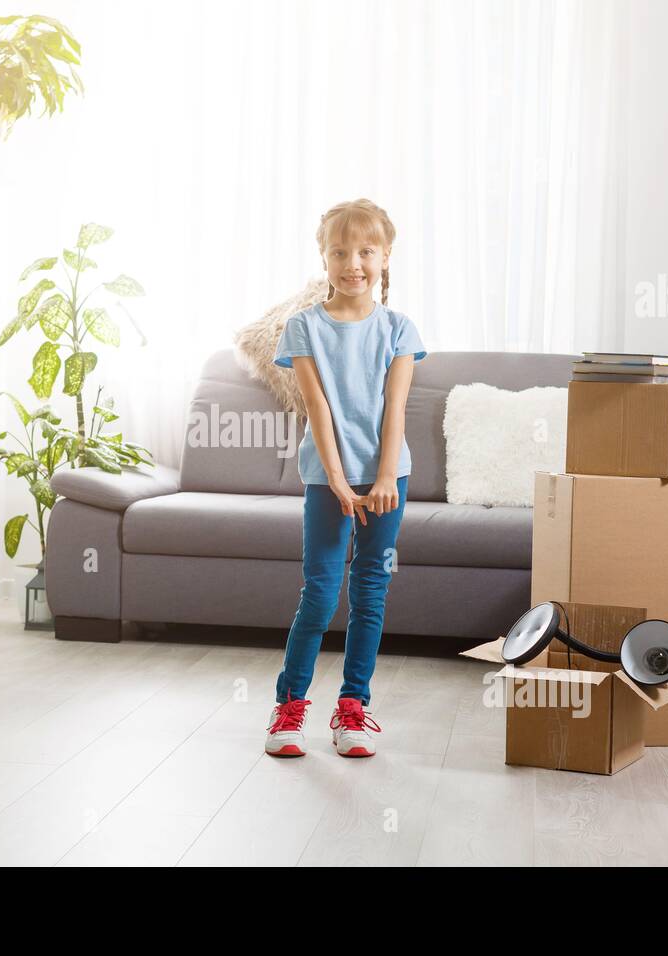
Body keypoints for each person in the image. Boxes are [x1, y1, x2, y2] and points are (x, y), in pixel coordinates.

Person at [265, 198, 427, 758]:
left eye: (365, 251)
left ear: (385, 257)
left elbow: (396, 406)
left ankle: (353, 708)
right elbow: (317, 408)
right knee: (319, 593)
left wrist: (385, 476)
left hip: (388, 480)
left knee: (370, 594)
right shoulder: (303, 327)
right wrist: (336, 479)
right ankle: (289, 709)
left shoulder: (400, 329)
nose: (352, 263)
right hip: (325, 480)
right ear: (323, 257)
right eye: (339, 251)